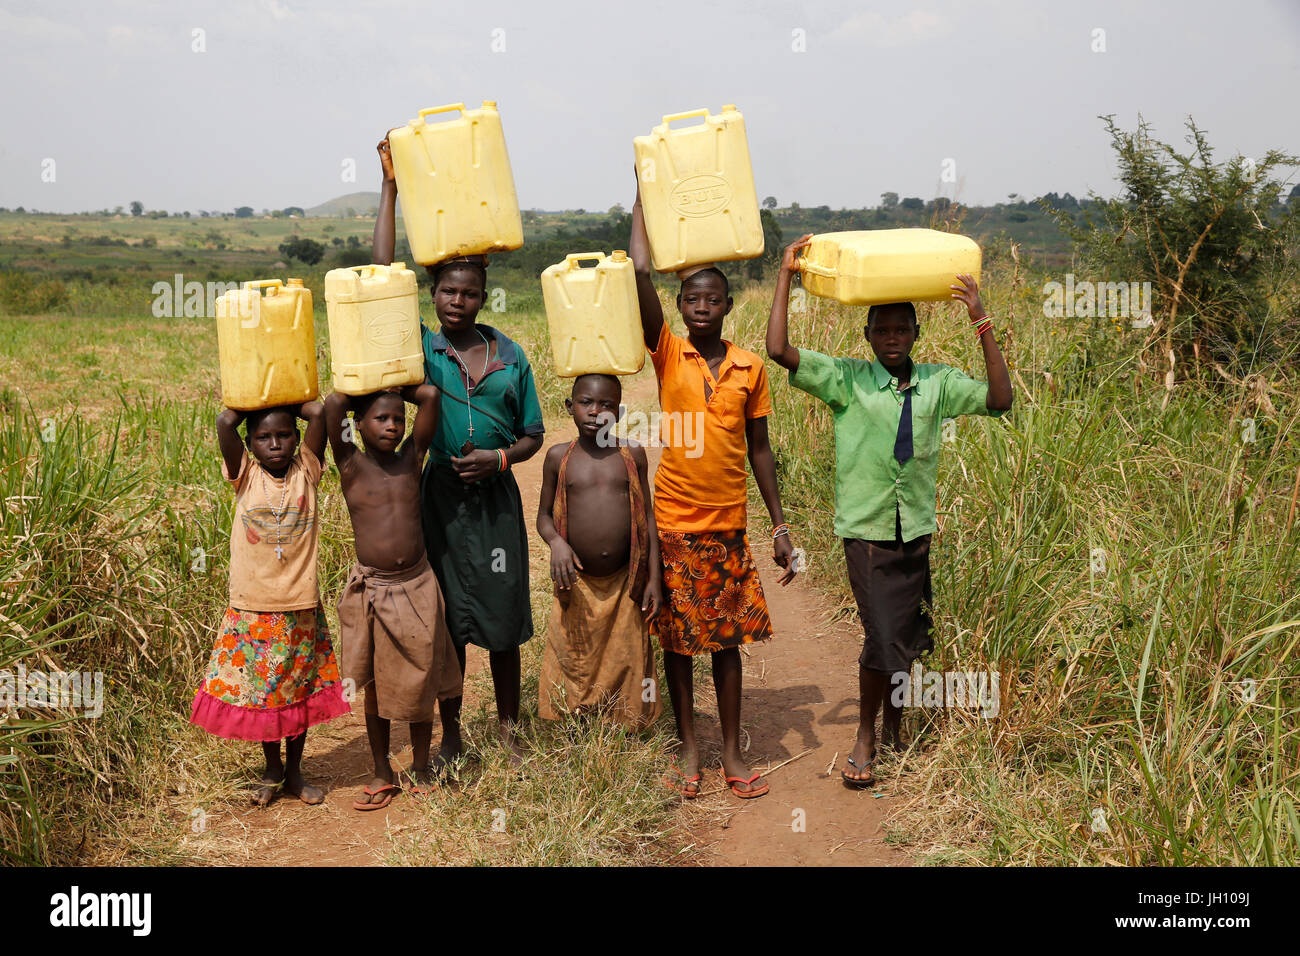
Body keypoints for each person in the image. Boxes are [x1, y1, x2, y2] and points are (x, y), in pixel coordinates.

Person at [766, 235, 1013, 787]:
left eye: (902, 330)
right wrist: (785, 275)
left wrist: (981, 321)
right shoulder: (848, 381)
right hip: (867, 531)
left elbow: (1000, 400)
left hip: (916, 529)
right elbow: (779, 350)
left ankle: (896, 730)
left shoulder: (939, 383)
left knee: (908, 638)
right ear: (868, 335)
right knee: (880, 637)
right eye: (883, 330)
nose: (893, 339)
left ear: (916, 335)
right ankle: (865, 737)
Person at [373, 133, 545, 766]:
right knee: (444, 619)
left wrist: (500, 459)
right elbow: (382, 275)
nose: (456, 302)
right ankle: (452, 732)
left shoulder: (511, 357)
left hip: (495, 501)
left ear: (483, 298)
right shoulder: (421, 349)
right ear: (433, 295)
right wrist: (390, 187)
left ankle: (507, 727)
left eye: (468, 293)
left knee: (502, 615)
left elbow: (533, 434)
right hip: (438, 501)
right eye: (446, 291)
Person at [629, 179, 797, 800]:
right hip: (673, 520)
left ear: (728, 305)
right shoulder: (667, 352)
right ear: (679, 304)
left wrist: (779, 527)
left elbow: (760, 452)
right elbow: (638, 271)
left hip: (728, 524)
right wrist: (645, 197)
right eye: (692, 297)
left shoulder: (750, 367)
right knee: (679, 643)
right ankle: (689, 748)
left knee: (727, 643)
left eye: (713, 298)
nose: (702, 306)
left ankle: (729, 751)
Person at [192, 402, 350, 807]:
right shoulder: (244, 475)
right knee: (265, 695)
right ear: (250, 444)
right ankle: (272, 768)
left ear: (297, 440)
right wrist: (257, 395)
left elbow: (318, 415)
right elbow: (225, 421)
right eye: (264, 437)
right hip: (254, 607)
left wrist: (289, 397)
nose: (275, 444)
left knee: (298, 689)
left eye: (284, 435)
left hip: (300, 603)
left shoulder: (307, 472)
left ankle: (295, 771)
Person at [325, 386, 463, 810]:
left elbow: (431, 398)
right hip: (375, 588)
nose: (391, 426)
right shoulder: (351, 463)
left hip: (418, 584)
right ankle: (382, 770)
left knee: (423, 677)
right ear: (359, 425)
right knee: (376, 687)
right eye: (380, 419)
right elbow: (332, 405)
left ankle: (420, 767)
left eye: (396, 419)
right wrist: (363, 385)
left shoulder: (410, 459)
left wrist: (398, 385)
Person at [535, 374, 663, 730]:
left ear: (618, 411)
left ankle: (626, 721)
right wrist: (557, 543)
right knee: (574, 653)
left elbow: (647, 518)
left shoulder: (631, 454)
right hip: (576, 582)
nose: (595, 412)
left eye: (606, 405)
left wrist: (654, 578)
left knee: (626, 652)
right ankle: (574, 720)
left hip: (626, 581)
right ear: (569, 407)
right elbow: (543, 517)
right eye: (586, 403)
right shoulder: (559, 457)